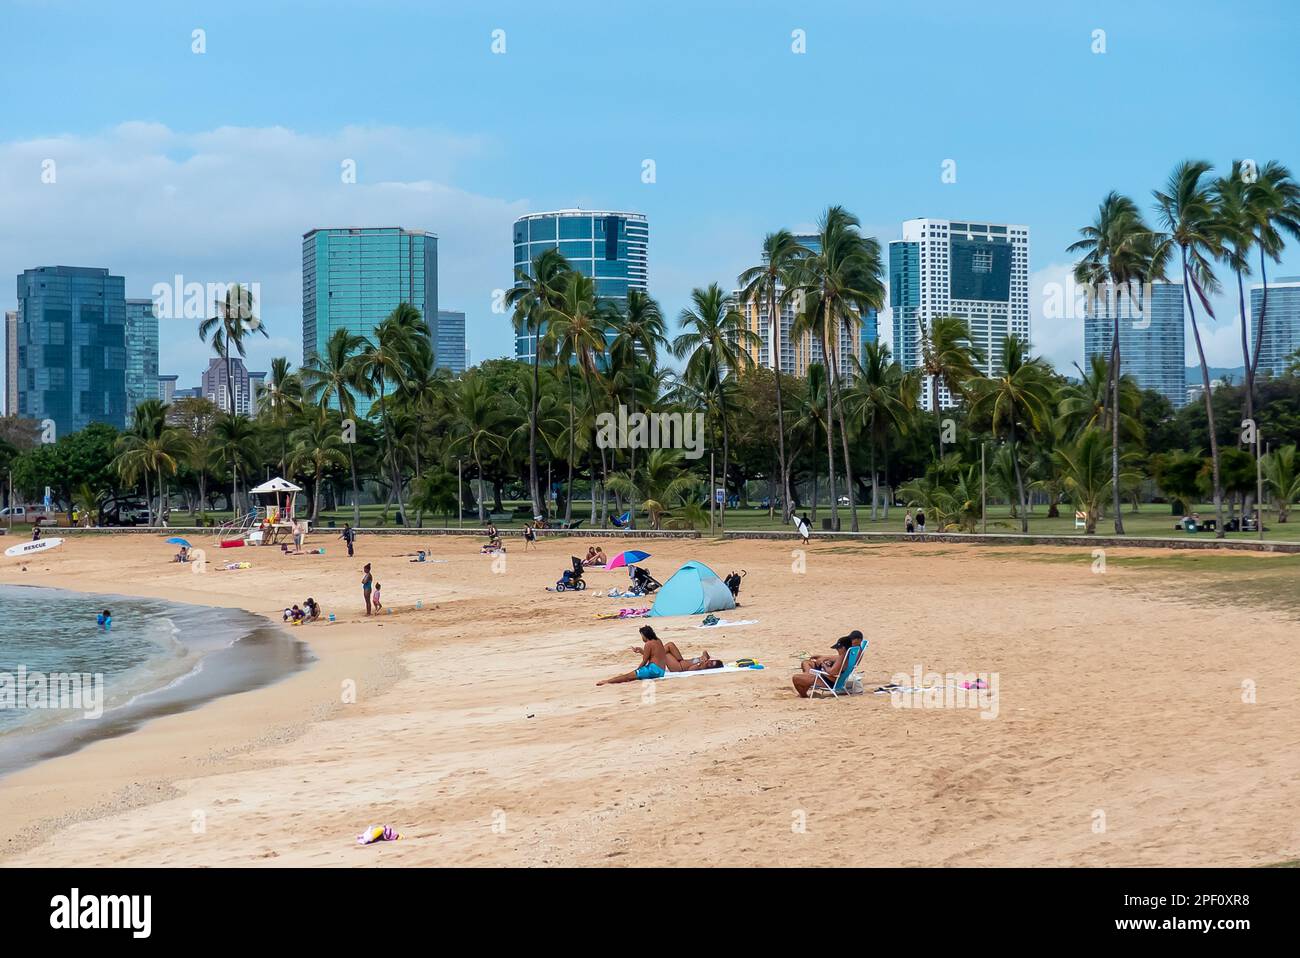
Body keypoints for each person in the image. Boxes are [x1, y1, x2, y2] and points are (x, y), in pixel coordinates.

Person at [792, 631, 863, 698]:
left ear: (843, 648)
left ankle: (804, 695)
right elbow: (837, 667)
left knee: (796, 678)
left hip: (828, 681)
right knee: (806, 663)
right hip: (833, 679)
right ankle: (807, 679)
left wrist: (823, 665)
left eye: (838, 648)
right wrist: (826, 661)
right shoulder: (848, 655)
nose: (837, 650)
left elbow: (832, 672)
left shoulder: (842, 657)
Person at [598, 625, 672, 685]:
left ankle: (607, 681)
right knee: (631, 676)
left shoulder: (648, 644)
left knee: (628, 676)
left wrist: (637, 670)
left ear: (645, 635)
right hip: (661, 671)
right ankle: (608, 681)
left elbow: (644, 661)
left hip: (653, 670)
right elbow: (654, 656)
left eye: (642, 636)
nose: (642, 638)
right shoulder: (658, 641)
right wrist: (641, 651)